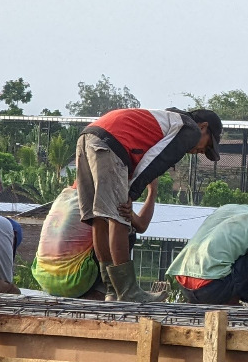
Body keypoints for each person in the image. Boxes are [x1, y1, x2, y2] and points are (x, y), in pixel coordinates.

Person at [76, 107, 222, 301]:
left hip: (88, 137)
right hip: (111, 143)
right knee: (119, 216)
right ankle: (128, 291)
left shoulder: (166, 120)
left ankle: (111, 290)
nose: (200, 151)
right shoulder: (189, 129)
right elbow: (157, 162)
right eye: (207, 145)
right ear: (203, 127)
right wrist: (132, 192)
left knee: (99, 218)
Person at [166, 180, 248, 307]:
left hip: (183, 282)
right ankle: (232, 299)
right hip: (211, 289)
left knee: (243, 248)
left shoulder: (228, 208)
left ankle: (203, 299)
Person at [33, 183, 157, 299]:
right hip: (74, 281)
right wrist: (152, 191)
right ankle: (109, 290)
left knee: (104, 226)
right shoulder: (103, 196)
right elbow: (141, 225)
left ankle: (101, 288)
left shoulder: (65, 194)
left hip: (44, 277)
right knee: (123, 228)